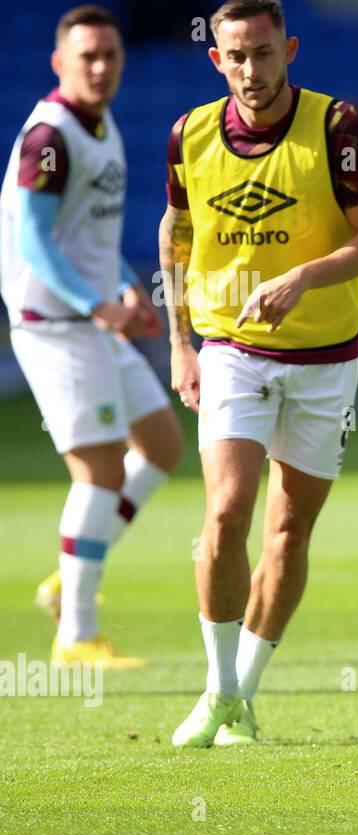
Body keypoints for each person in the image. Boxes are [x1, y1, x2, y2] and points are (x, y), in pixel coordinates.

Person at [160, 0, 358, 747]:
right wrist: (179, 342)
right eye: (237, 56)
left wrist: (304, 277)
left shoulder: (338, 127)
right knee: (227, 514)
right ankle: (217, 688)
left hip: (326, 359)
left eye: (264, 53)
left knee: (288, 532)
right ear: (216, 58)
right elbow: (177, 232)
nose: (252, 71)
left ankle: (245, 698)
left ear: (288, 48)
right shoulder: (190, 135)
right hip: (231, 346)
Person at [0, 4, 181, 667]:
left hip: (95, 314)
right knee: (100, 471)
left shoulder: (98, 125)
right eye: (87, 57)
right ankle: (76, 631)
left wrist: (128, 287)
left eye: (110, 55)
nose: (101, 67)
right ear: (60, 63)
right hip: (59, 324)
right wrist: (95, 304)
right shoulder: (49, 136)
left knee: (160, 444)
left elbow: (87, 233)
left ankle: (69, 571)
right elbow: (33, 239)